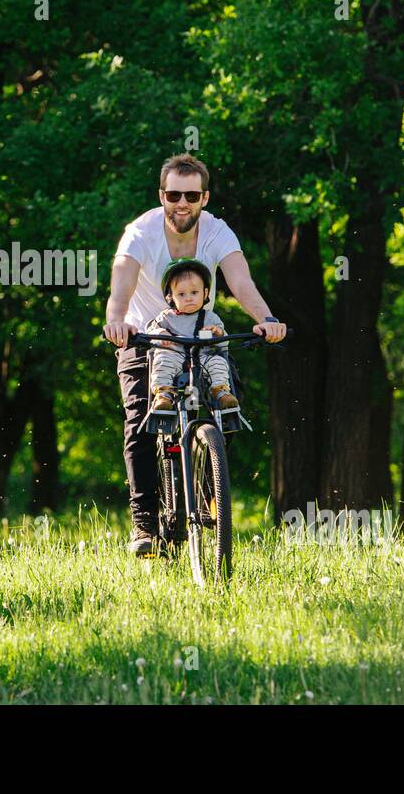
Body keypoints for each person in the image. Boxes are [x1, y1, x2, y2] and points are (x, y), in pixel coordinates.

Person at [102, 154, 287, 555]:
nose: (181, 202)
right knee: (140, 421)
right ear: (162, 195)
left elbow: (241, 281)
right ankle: (145, 525)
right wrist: (117, 322)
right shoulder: (140, 233)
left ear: (203, 197)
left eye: (190, 195)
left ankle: (206, 483)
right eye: (173, 194)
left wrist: (267, 318)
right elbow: (121, 286)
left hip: (200, 336)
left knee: (226, 404)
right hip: (144, 339)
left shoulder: (218, 232)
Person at [147, 258, 238, 412]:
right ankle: (163, 395)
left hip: (203, 357)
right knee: (163, 359)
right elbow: (149, 332)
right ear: (171, 297)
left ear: (205, 293)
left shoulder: (211, 318)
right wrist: (160, 333)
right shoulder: (165, 317)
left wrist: (218, 334)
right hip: (175, 356)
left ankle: (221, 392)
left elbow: (224, 344)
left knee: (218, 361)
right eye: (181, 294)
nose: (188, 298)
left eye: (194, 292)